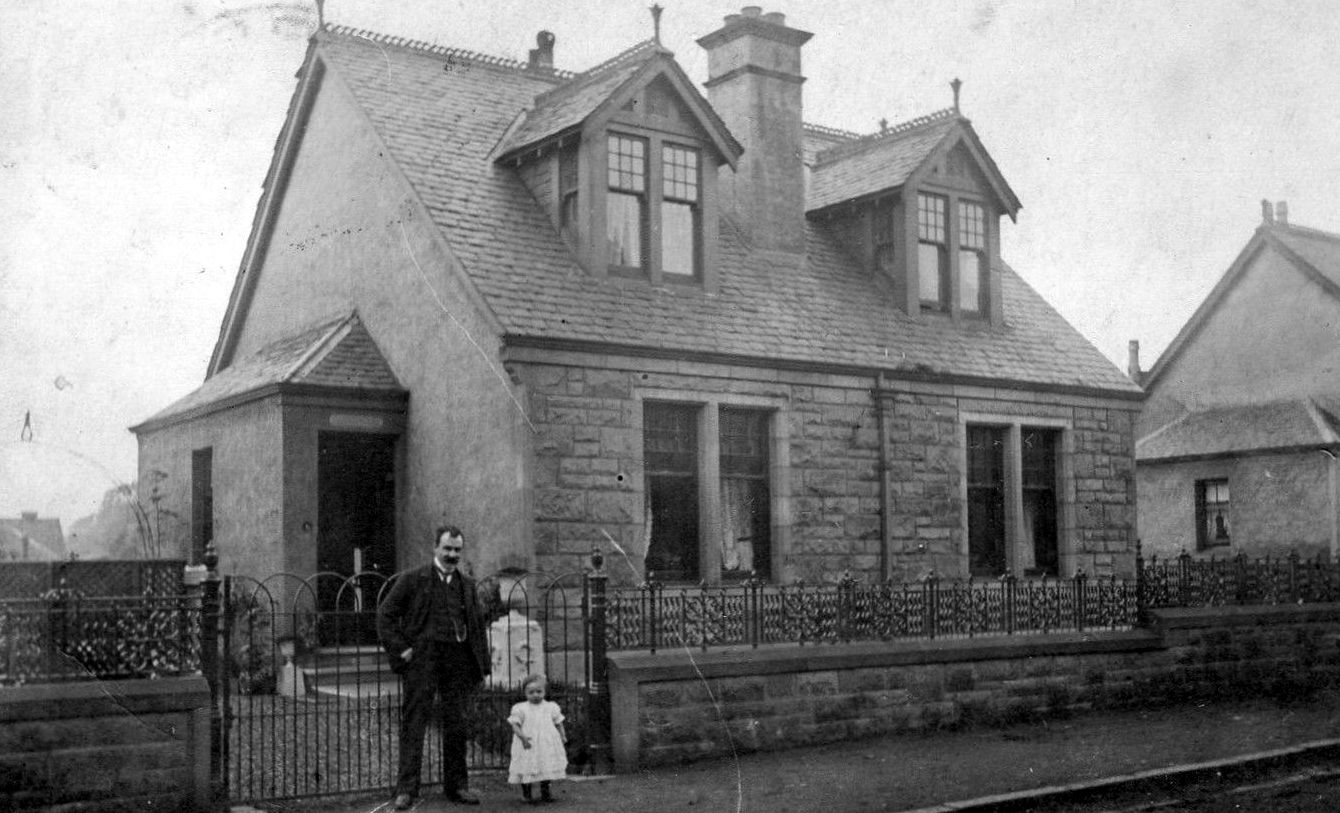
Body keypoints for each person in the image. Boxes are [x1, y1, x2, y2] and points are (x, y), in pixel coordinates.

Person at [377, 525, 491, 808]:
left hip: (457, 662)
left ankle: (457, 787)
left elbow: (476, 627)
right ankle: (406, 790)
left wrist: (482, 666)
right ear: (435, 549)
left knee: (456, 724)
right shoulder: (412, 579)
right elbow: (385, 615)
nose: (452, 555)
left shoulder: (466, 585)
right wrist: (402, 648)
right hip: (422, 662)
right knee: (415, 724)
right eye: (447, 549)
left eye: (456, 550)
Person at [507, 674, 568, 804]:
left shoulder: (551, 707)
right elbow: (515, 725)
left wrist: (562, 735)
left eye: (539, 692)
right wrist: (522, 737)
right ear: (525, 693)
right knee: (526, 765)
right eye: (531, 692)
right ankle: (526, 793)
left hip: (546, 742)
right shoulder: (520, 708)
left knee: (545, 763)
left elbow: (559, 723)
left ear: (544, 691)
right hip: (528, 742)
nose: (535, 695)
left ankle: (545, 791)